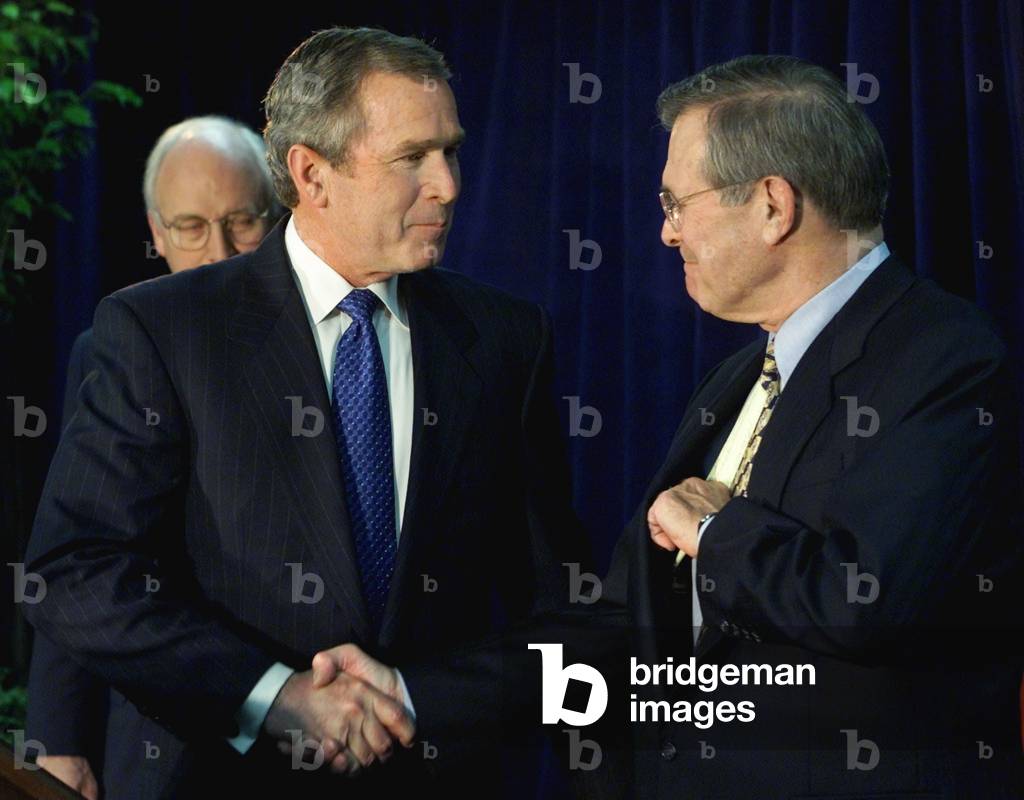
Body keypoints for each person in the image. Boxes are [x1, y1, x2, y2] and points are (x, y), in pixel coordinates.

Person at [315, 54, 1024, 798]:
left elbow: (866, 598)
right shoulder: (739, 378)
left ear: (773, 206)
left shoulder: (942, 356)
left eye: (677, 203)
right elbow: (619, 627)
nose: (665, 233)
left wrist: (715, 533)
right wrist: (410, 695)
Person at [24, 27, 587, 798]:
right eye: (412, 158)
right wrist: (273, 696)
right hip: (217, 778)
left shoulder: (504, 339)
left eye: (450, 151)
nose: (450, 185)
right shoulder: (161, 332)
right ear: (312, 174)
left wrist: (417, 701)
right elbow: (78, 569)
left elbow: (556, 607)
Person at [25, 114, 279, 800]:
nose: (218, 251)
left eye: (242, 221)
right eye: (191, 228)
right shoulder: (114, 350)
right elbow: (79, 553)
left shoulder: (333, 343)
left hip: (319, 734)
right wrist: (58, 736)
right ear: (158, 233)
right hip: (161, 746)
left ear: (278, 213)